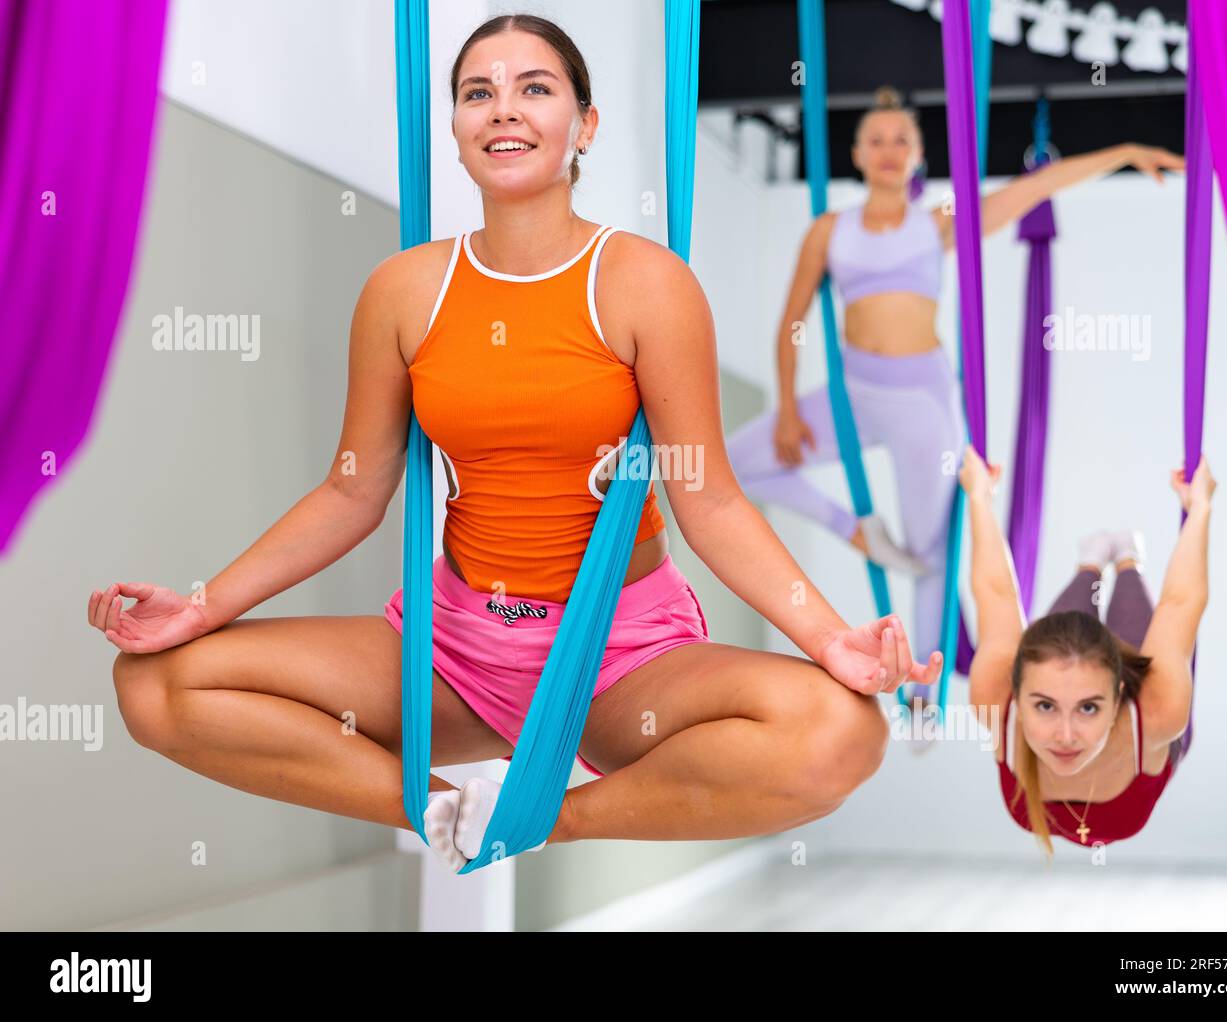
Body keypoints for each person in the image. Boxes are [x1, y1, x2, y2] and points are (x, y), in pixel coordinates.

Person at [90, 14, 942, 874]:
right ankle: (444, 808)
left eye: (535, 88)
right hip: (453, 649)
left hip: (621, 660)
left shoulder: (646, 283)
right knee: (155, 685)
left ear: (585, 124)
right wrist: (204, 605)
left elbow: (710, 498)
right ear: (456, 131)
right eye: (477, 93)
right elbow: (352, 491)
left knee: (841, 734)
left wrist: (831, 640)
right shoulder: (405, 291)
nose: (504, 110)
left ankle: (539, 817)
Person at [724, 87, 1185, 707]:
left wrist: (1126, 149)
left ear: (917, 155)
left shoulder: (936, 222)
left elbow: (1035, 189)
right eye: (877, 139)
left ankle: (922, 693)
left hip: (922, 404)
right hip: (853, 396)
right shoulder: (829, 230)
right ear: (857, 154)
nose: (889, 151)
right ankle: (857, 533)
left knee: (929, 552)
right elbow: (791, 321)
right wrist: (783, 406)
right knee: (735, 462)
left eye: (901, 141)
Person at [958, 444, 1211, 852]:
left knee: (1118, 638)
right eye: (1044, 706)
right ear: (1016, 694)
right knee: (1060, 644)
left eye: (1089, 707)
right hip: (1133, 705)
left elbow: (1182, 603)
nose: (1065, 735)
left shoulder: (1155, 709)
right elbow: (996, 594)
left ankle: (1121, 560)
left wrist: (1199, 509)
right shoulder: (996, 698)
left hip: (1143, 714)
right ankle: (1102, 561)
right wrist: (978, 495)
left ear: (1118, 700)